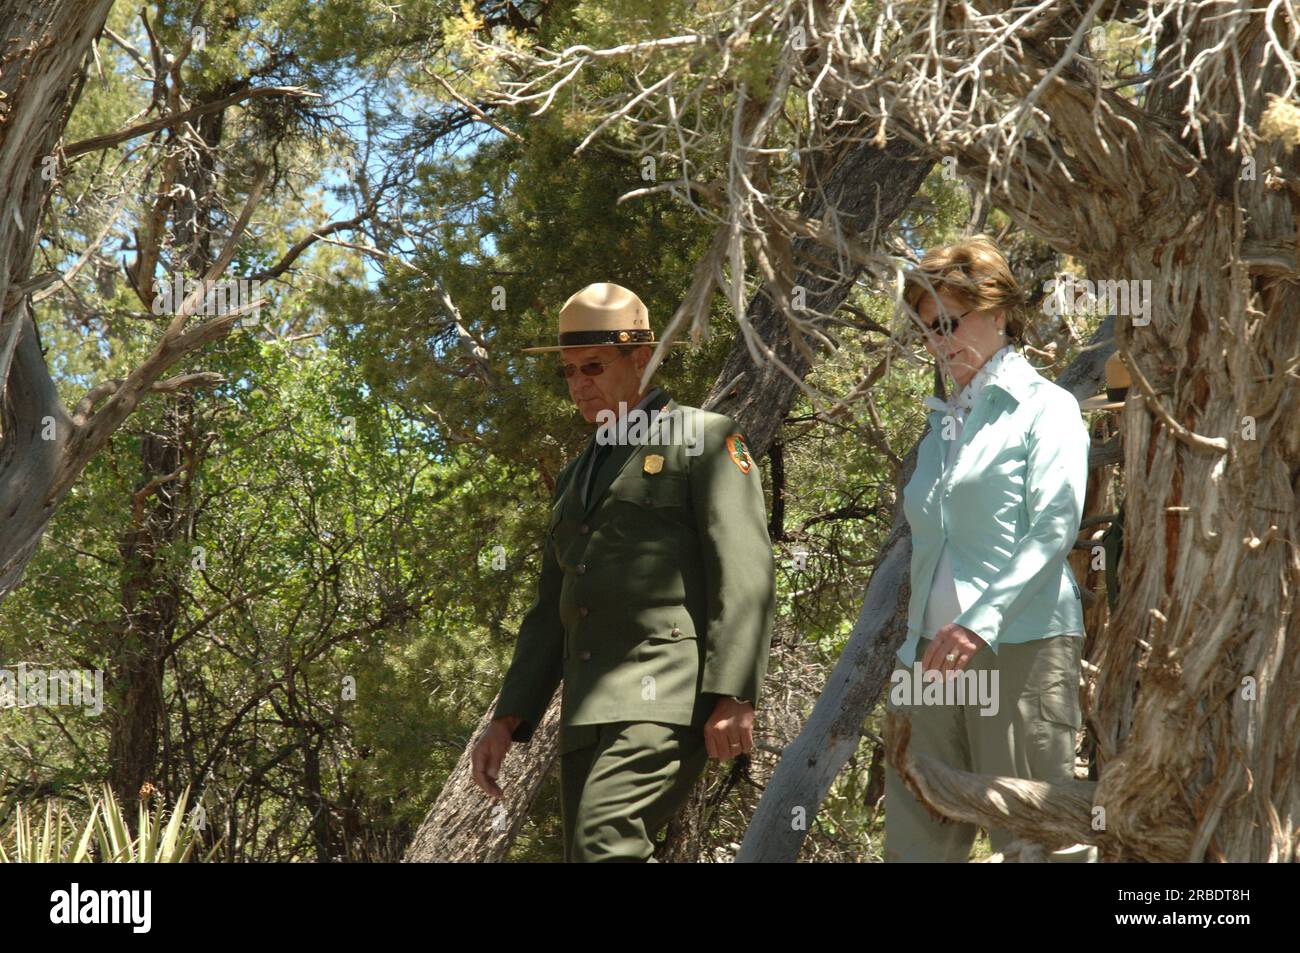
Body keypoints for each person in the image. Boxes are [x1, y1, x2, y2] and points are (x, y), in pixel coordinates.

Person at [470, 282, 776, 862]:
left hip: (664, 694)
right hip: (587, 712)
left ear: (643, 360)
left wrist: (735, 691)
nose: (579, 382)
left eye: (593, 365)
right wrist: (507, 719)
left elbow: (745, 568)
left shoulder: (704, 437)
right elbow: (549, 612)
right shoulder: (575, 476)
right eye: (568, 371)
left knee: (604, 845)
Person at [884, 236, 1090, 862]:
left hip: (1023, 651)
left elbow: (1055, 527)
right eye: (927, 329)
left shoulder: (1047, 408)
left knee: (1039, 847)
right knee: (916, 850)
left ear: (997, 312)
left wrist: (978, 623)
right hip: (928, 662)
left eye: (951, 322)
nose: (939, 341)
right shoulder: (940, 423)